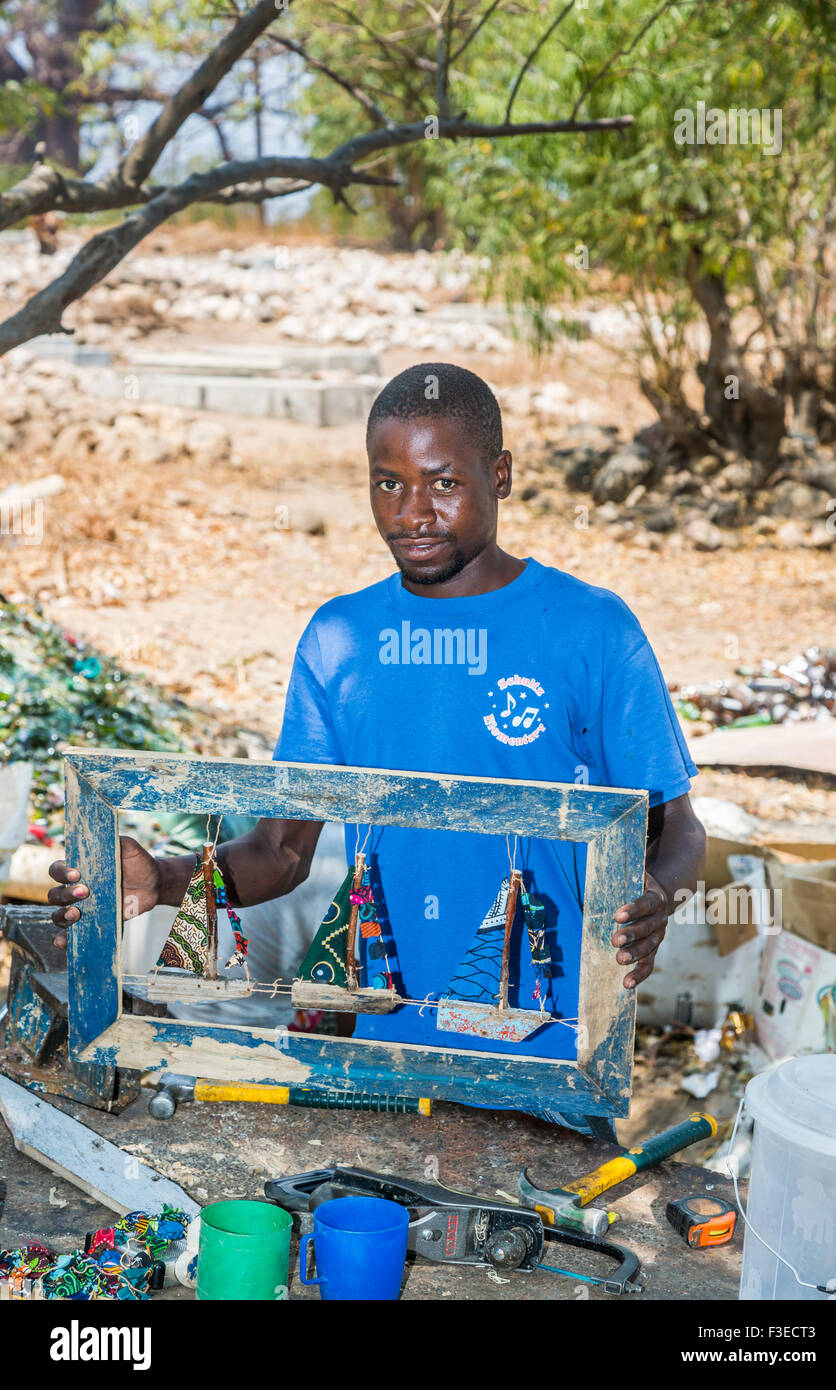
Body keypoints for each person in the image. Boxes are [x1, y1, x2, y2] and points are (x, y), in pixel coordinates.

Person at [49, 362, 706, 1131]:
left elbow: (682, 831)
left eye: (443, 483)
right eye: (387, 483)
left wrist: (657, 897)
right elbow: (282, 854)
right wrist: (161, 880)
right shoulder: (339, 640)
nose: (412, 513)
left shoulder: (592, 630)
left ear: (501, 476)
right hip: (389, 1062)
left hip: (553, 1062)